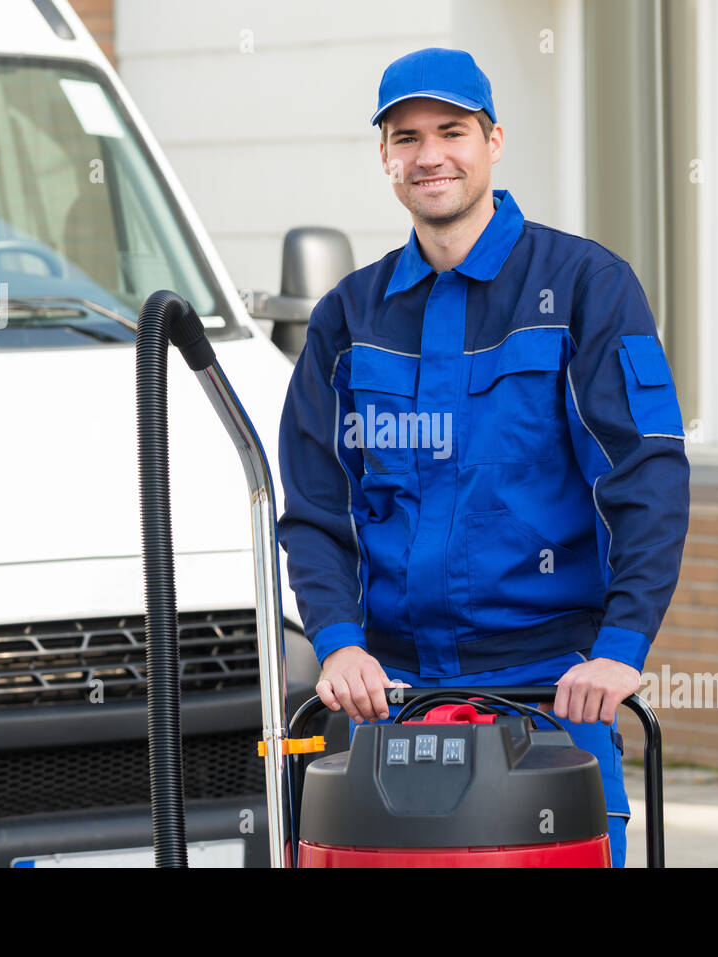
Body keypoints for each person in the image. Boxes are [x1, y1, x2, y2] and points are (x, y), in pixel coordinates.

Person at [276, 47, 690, 867]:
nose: (429, 154)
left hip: (551, 693)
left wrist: (620, 648)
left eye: (451, 131)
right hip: (388, 702)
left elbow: (646, 477)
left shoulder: (584, 287)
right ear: (386, 158)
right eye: (406, 137)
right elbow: (316, 506)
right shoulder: (347, 318)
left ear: (493, 140)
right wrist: (337, 639)